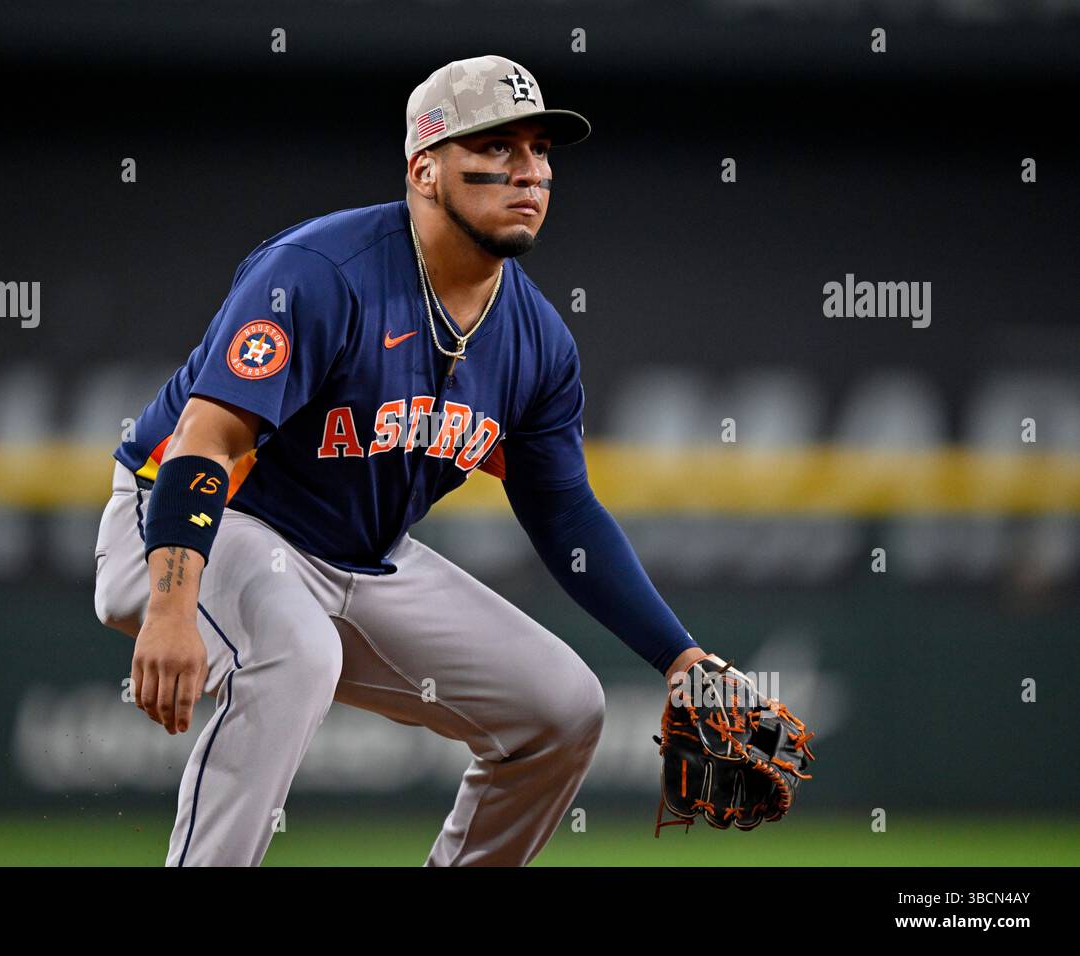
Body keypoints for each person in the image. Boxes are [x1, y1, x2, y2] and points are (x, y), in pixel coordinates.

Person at [93, 54, 719, 866]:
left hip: (361, 560)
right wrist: (174, 610)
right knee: (296, 654)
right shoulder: (321, 273)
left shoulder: (537, 342)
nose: (527, 173)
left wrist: (681, 657)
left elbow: (564, 514)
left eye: (540, 150)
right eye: (495, 149)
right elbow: (203, 443)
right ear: (425, 167)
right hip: (195, 520)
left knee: (562, 709)